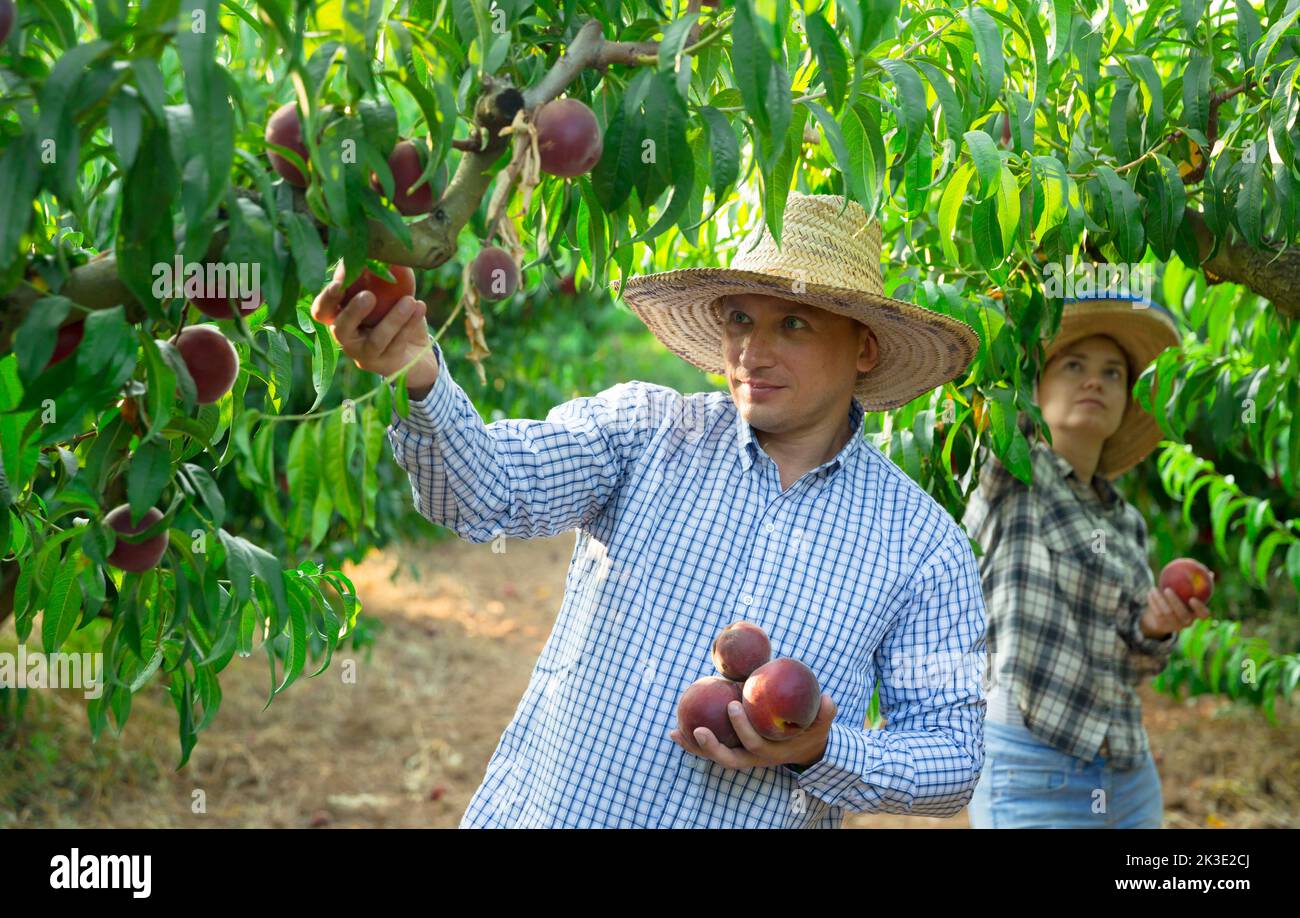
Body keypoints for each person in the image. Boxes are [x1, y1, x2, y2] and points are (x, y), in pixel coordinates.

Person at [313, 192, 987, 828]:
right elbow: (487, 491)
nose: (753, 352)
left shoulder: (921, 545)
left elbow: (953, 757)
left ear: (864, 348)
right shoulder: (645, 432)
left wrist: (819, 749)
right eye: (740, 320)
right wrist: (418, 374)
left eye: (794, 324)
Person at [963, 296, 1214, 829]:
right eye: (1073, 365)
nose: (1094, 382)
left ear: (1127, 399)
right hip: (1030, 763)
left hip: (1126, 767)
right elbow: (991, 372)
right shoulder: (1015, 475)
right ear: (1034, 388)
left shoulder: (1125, 522)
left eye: (1112, 373)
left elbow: (1134, 664)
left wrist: (1155, 626)